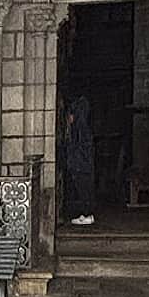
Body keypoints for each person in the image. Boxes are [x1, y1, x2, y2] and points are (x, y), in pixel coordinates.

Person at [64, 97, 95, 226]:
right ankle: (86, 213)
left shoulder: (80, 129)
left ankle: (87, 214)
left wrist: (75, 163)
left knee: (84, 189)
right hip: (83, 164)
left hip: (81, 165)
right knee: (83, 189)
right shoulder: (82, 128)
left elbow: (80, 149)